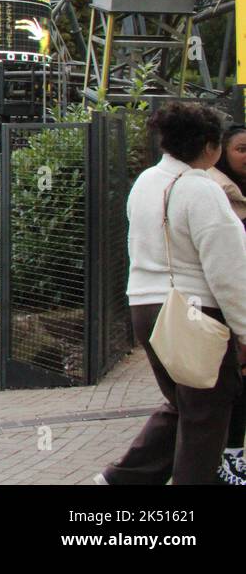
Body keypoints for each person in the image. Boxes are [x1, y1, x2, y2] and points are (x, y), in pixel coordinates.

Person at [97, 102, 246, 485]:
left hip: (144, 307)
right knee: (207, 411)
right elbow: (229, 272)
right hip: (193, 310)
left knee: (183, 404)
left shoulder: (146, 182)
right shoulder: (202, 189)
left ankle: (120, 480)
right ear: (211, 146)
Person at [206, 122, 246, 484]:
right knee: (233, 381)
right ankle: (229, 454)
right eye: (241, 149)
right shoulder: (218, 190)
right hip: (230, 300)